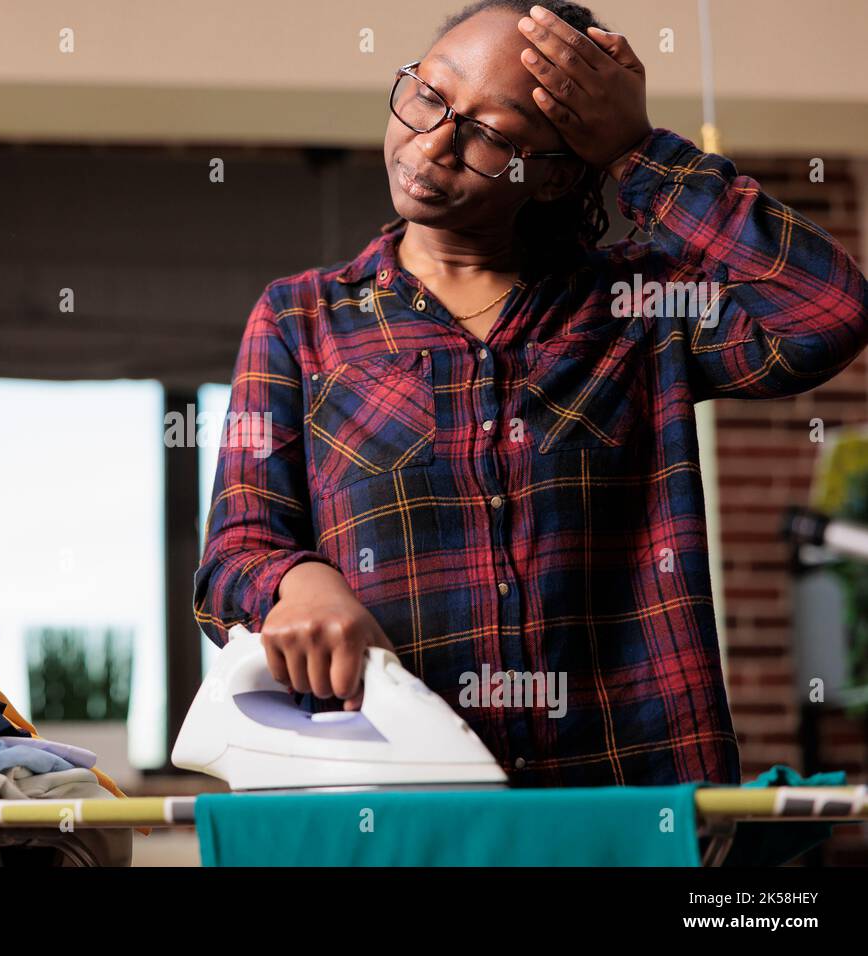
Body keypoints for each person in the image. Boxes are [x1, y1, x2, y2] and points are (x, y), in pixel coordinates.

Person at [194, 0, 868, 787]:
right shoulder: (301, 320)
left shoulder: (639, 309)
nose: (433, 143)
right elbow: (235, 555)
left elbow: (829, 312)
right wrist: (295, 583)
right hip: (400, 800)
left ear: (551, 176)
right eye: (427, 95)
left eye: (490, 135)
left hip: (627, 798)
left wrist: (637, 149)